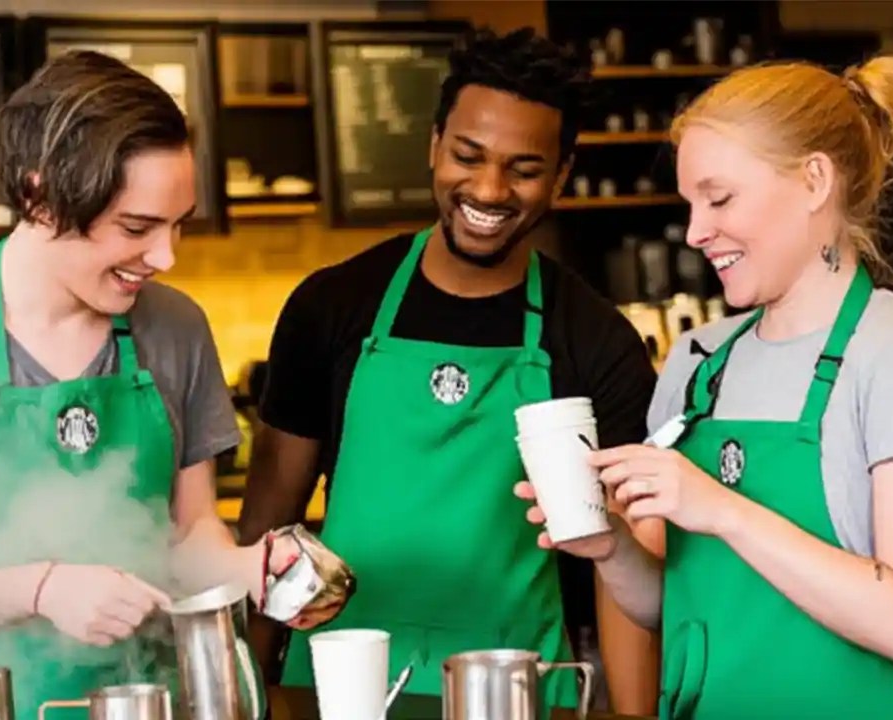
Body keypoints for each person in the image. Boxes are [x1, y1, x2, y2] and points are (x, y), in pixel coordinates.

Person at [0, 51, 339, 720]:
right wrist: (41, 589)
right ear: (40, 197)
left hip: (153, 703)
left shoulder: (175, 328)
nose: (165, 256)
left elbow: (189, 535)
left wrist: (253, 569)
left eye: (178, 224)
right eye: (136, 227)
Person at [517, 55, 893, 719]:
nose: (696, 232)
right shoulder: (697, 361)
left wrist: (721, 508)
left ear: (814, 180)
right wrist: (610, 545)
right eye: (691, 204)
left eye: (720, 198)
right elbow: (673, 603)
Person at [236, 27, 658, 708]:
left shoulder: (596, 340)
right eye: (468, 155)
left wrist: (634, 716)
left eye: (524, 169)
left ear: (562, 173)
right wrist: (249, 701)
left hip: (517, 693)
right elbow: (267, 535)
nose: (489, 189)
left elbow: (620, 565)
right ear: (434, 145)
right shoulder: (332, 307)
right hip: (342, 692)